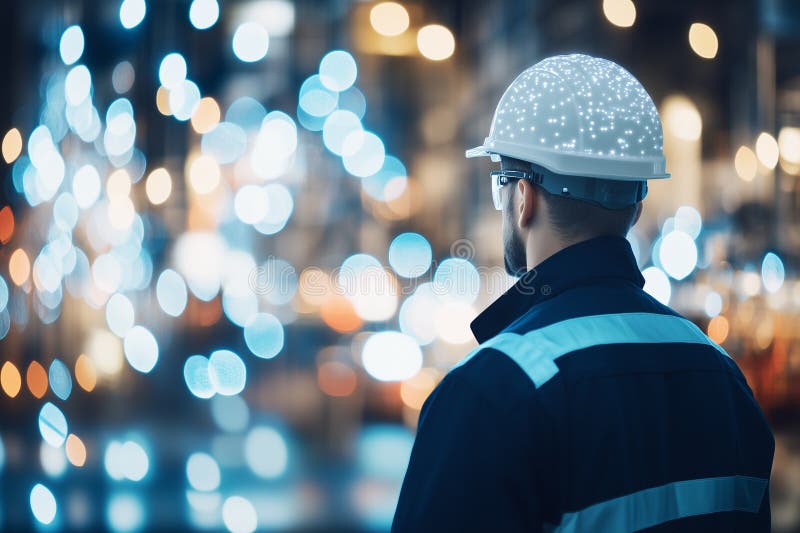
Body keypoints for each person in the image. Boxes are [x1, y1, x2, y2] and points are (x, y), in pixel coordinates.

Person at [391, 54, 774, 532]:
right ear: (636, 207)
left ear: (524, 197)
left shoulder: (490, 392)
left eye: (500, 186)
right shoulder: (724, 379)